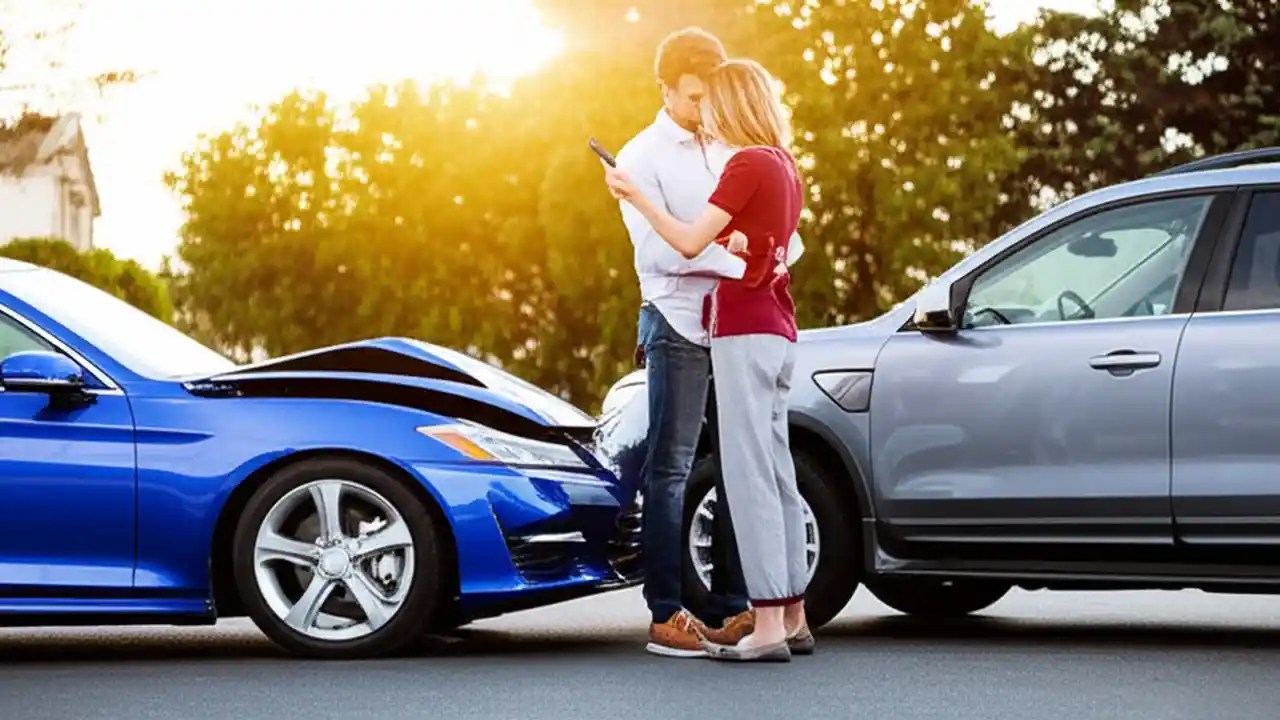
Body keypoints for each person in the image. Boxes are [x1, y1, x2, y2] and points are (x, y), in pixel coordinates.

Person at [604, 57, 810, 663]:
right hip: (765, 325)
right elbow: (769, 247)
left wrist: (638, 198)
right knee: (774, 472)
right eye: (694, 99)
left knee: (747, 477)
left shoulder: (742, 161)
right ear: (664, 88)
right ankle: (787, 616)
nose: (703, 113)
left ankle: (766, 624)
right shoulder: (782, 163)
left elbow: (689, 243)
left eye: (711, 100)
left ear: (731, 103)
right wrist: (742, 248)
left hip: (742, 326)